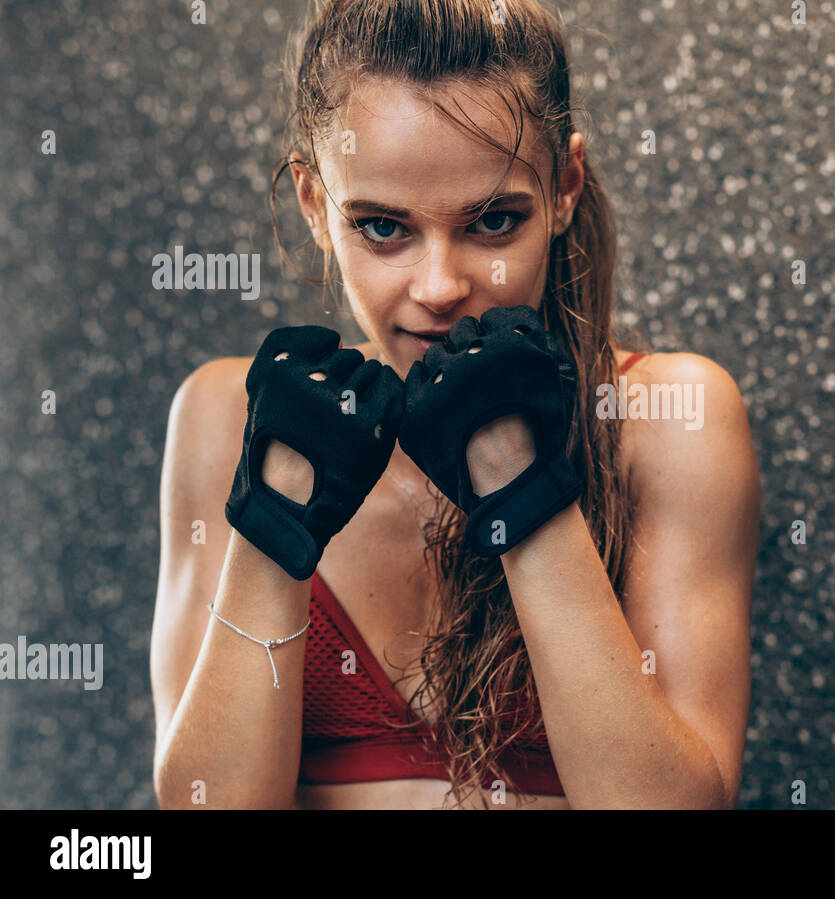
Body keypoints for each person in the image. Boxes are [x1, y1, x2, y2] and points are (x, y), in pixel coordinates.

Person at [150, 0, 759, 810]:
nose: (440, 288)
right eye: (381, 227)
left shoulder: (671, 417)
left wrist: (519, 487)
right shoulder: (223, 416)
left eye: (495, 221)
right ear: (313, 204)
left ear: (566, 188)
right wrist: (274, 523)